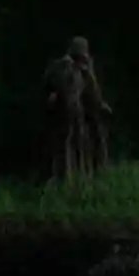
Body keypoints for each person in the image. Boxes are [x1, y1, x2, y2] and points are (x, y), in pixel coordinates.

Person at [42, 36, 112, 180]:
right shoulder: (62, 67)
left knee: (81, 145)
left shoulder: (83, 71)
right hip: (63, 113)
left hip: (77, 113)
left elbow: (91, 92)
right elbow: (53, 86)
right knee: (64, 147)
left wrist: (100, 103)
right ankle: (65, 178)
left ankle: (82, 176)